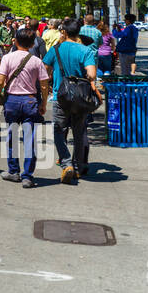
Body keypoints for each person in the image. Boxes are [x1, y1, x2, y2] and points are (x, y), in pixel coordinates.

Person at [43, 17, 102, 183]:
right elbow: (91, 74)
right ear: (79, 32)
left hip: (60, 96)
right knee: (79, 131)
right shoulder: (86, 51)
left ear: (64, 32)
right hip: (80, 98)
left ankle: (66, 163)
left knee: (58, 131)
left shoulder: (55, 49)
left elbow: (44, 70)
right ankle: (77, 167)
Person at [0, 27, 52, 187]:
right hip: (30, 101)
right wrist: (43, 103)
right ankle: (27, 175)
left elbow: (0, 81)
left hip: (12, 100)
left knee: (11, 137)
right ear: (33, 43)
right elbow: (44, 85)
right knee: (30, 138)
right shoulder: (36, 61)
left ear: (15, 41)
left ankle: (13, 171)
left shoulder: (7, 58)